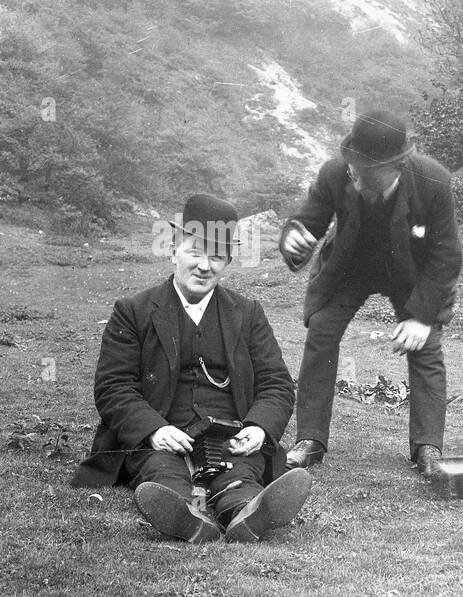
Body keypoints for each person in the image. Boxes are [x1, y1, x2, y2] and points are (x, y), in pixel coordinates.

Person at [72, 194, 310, 543]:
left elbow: (276, 383)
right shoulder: (133, 311)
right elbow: (113, 386)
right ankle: (185, 513)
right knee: (161, 468)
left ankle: (246, 510)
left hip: (230, 435)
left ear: (227, 262)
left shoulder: (248, 313)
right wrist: (154, 429)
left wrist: (259, 428)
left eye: (216, 256)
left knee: (240, 471)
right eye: (195, 252)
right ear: (173, 251)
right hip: (163, 434)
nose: (204, 266)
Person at [278, 109, 462, 480]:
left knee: (424, 346)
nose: (354, 175)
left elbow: (447, 256)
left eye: (365, 171)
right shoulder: (335, 172)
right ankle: (310, 440)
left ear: (397, 166)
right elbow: (308, 221)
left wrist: (422, 317)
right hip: (350, 269)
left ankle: (427, 447)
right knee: (322, 332)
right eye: (352, 166)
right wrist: (292, 237)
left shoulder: (432, 181)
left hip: (410, 274)